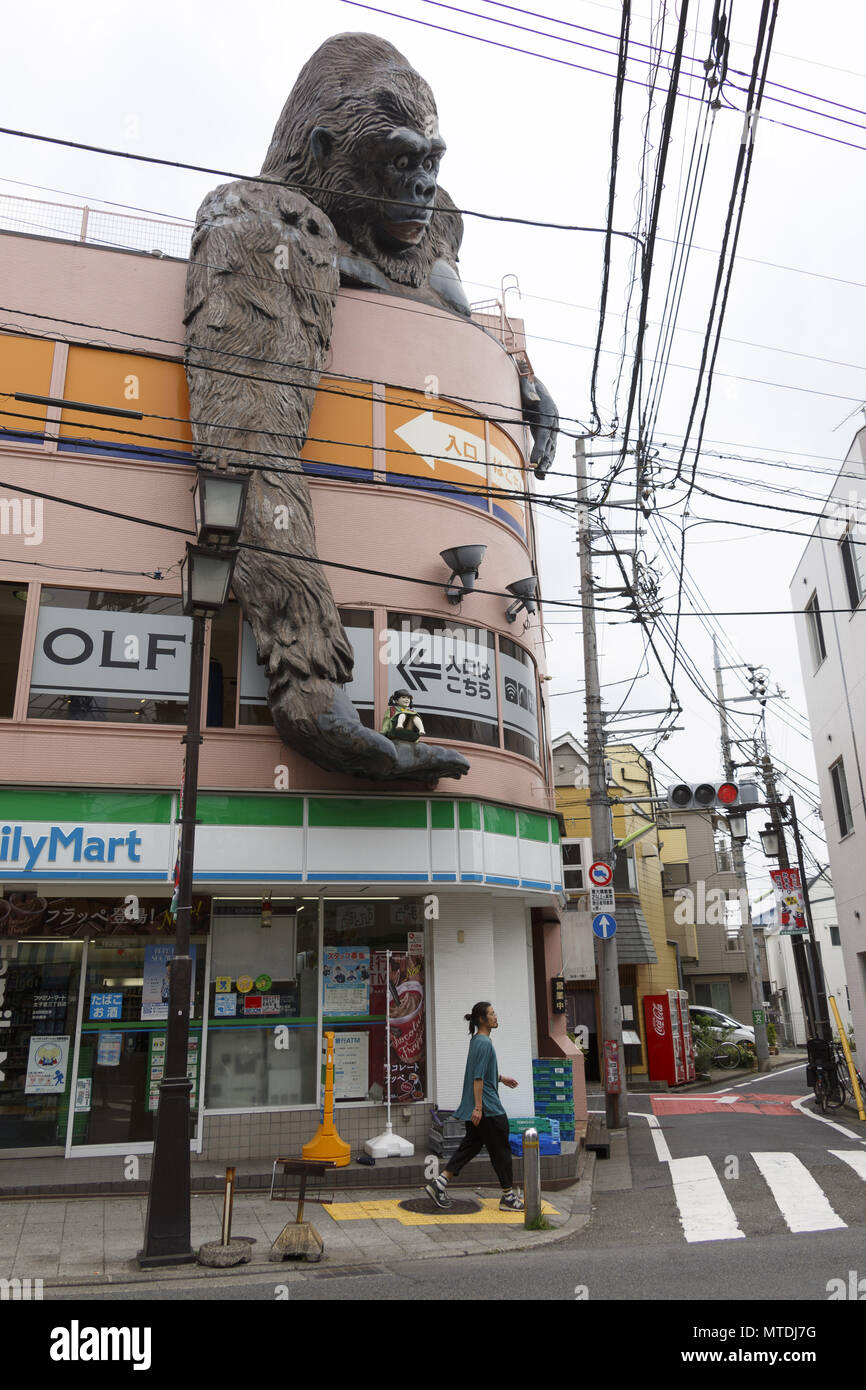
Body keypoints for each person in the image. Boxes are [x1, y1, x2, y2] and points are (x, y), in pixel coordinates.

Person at [425, 1001, 524, 1211]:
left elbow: (482, 1073)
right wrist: (478, 1108)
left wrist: (500, 1078)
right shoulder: (484, 1043)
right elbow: (477, 1078)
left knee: (471, 1146)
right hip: (488, 1109)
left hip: (480, 1108)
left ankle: (439, 1183)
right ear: (481, 1019)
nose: (496, 1016)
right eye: (492, 1013)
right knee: (502, 1152)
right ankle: (508, 1196)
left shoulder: (477, 1041)